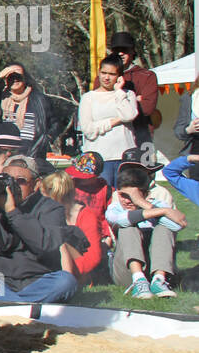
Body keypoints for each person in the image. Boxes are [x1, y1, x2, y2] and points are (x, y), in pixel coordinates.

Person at [0, 155, 77, 304]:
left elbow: (44, 244)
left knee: (65, 281)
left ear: (36, 184)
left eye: (20, 181)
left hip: (37, 281)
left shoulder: (51, 208)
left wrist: (12, 212)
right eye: (6, 179)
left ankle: (5, 305)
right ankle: (23, 306)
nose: (11, 186)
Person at [108, 154, 183, 298]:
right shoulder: (116, 205)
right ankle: (139, 281)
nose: (127, 200)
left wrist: (142, 203)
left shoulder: (159, 195)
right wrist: (162, 212)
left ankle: (159, 280)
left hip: (158, 263)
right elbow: (121, 221)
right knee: (128, 227)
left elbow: (176, 226)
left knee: (163, 227)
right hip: (127, 269)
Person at [78, 56, 137, 189]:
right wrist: (115, 121)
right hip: (99, 158)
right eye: (104, 73)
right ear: (99, 72)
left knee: (125, 196)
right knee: (102, 197)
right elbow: (88, 130)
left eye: (112, 74)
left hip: (125, 156)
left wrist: (119, 91)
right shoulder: (88, 98)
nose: (106, 78)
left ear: (120, 76)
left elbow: (129, 115)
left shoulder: (127, 95)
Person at [0, 61, 55, 160]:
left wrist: (47, 138)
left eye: (19, 76)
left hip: (31, 154)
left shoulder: (40, 99)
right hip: (2, 154)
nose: (15, 79)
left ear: (25, 78)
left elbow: (55, 123)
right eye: (11, 76)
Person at [39, 170, 101, 282]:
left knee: (58, 238)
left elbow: (93, 258)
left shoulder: (87, 216)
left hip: (79, 272)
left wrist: (70, 270)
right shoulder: (43, 214)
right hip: (52, 266)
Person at [110, 31, 158, 150]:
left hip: (141, 140)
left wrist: (117, 102)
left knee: (143, 169)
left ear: (133, 51)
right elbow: (99, 108)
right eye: (117, 50)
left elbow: (147, 108)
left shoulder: (147, 76)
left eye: (125, 49)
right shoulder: (104, 78)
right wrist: (134, 100)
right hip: (110, 139)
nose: (121, 53)